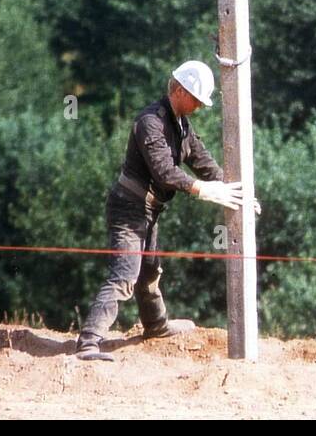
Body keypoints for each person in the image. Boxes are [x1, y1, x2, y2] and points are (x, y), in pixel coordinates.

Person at [74, 60, 250, 361]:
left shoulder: (182, 125)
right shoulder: (149, 122)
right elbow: (164, 172)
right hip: (128, 208)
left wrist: (239, 192)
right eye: (195, 99)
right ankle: (89, 342)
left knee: (150, 271)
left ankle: (155, 326)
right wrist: (202, 190)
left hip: (149, 209)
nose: (198, 106)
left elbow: (202, 161)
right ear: (179, 91)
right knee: (124, 276)